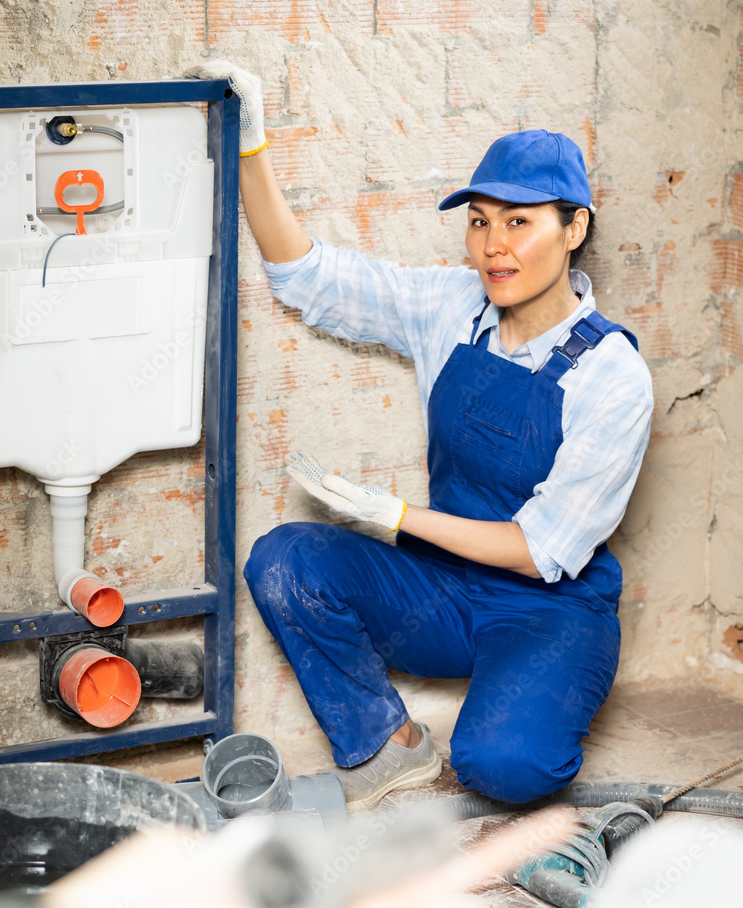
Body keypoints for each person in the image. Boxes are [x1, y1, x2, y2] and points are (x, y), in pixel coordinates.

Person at [189, 62, 654, 808]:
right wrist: (250, 145)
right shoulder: (453, 305)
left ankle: (523, 690)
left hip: (549, 611)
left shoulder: (613, 376)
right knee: (285, 562)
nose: (494, 246)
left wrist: (398, 517)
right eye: (480, 221)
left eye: (520, 222)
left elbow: (539, 551)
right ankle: (388, 744)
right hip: (445, 590)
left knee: (504, 767)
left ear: (574, 229)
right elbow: (307, 276)